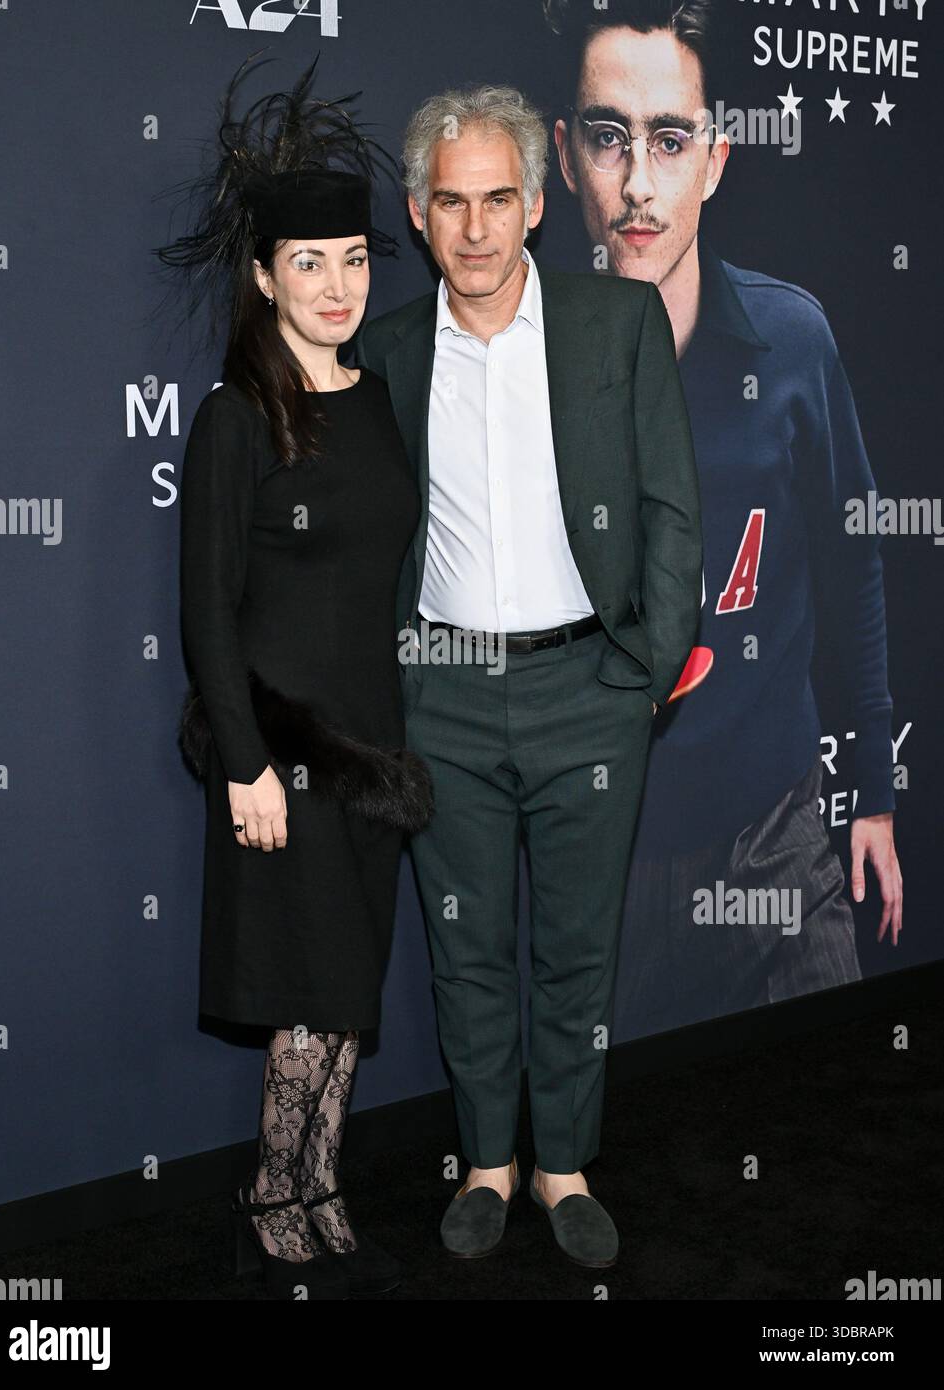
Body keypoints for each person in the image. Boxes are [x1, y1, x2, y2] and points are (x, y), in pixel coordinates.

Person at [356, 83, 702, 1268]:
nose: (475, 228)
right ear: (415, 213)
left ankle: (563, 1164)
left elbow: (669, 509)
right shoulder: (389, 353)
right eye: (450, 202)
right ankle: (487, 1165)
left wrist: (642, 673)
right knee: (466, 950)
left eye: (498, 198)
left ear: (538, 204)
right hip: (440, 696)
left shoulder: (617, 323)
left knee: (575, 948)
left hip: (588, 691)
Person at [543, 0, 902, 1040]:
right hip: (594, 868)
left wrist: (872, 792)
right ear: (565, 158)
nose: (639, 184)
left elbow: (853, 564)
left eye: (670, 138)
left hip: (773, 842)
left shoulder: (791, 342)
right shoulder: (515, 368)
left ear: (716, 157)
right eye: (608, 137)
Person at [152, 55, 431, 1300]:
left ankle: (319, 1182)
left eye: (355, 259)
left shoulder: (375, 403)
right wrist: (247, 763)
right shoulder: (232, 418)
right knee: (304, 990)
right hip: (281, 749)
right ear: (263, 275)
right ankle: (275, 1195)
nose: (335, 285)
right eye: (307, 263)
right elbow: (204, 610)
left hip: (372, 747)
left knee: (344, 987)